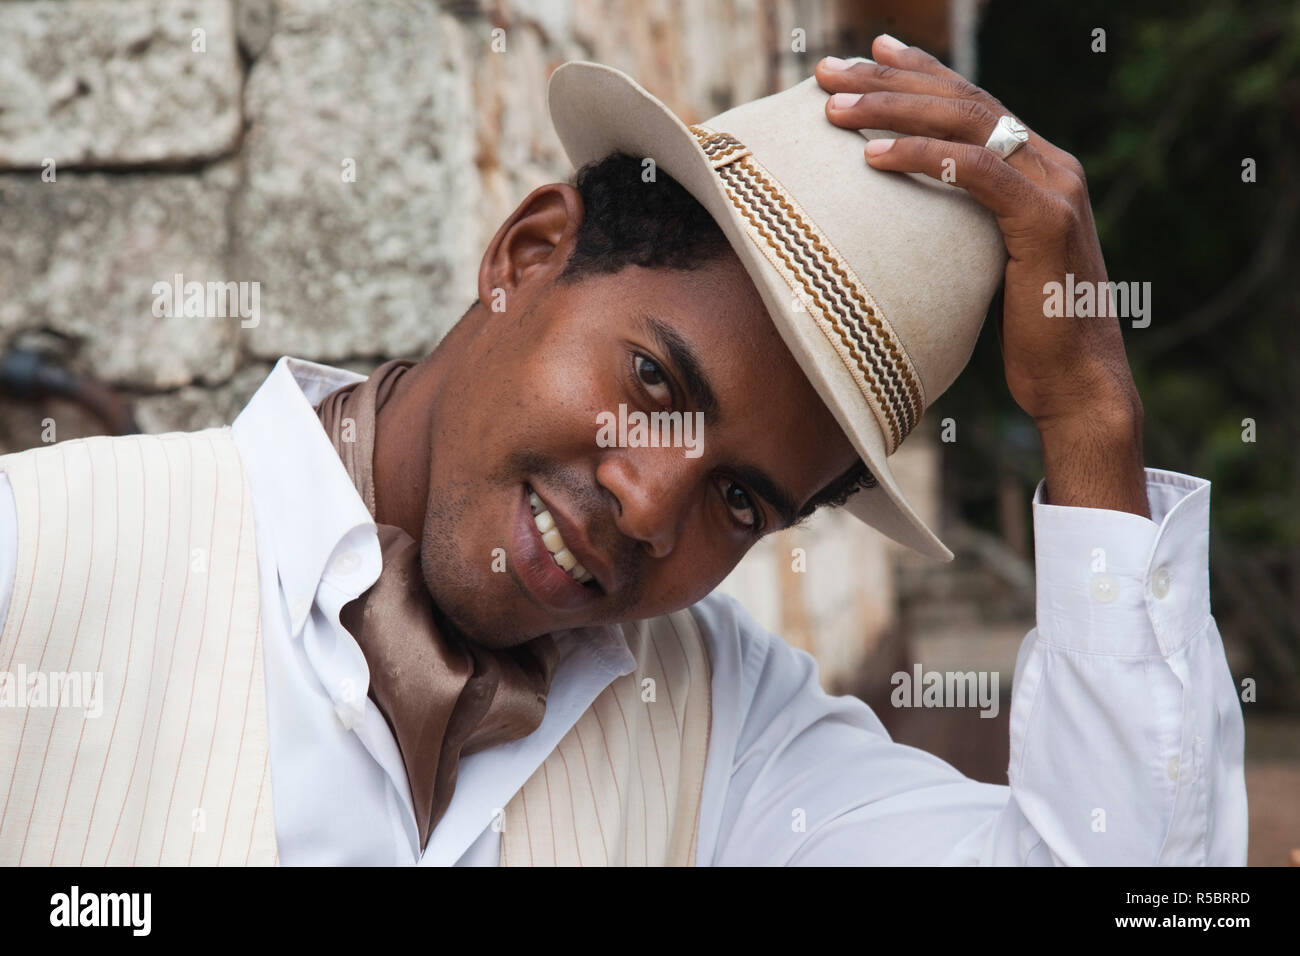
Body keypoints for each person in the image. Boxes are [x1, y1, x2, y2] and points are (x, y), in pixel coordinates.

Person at [0, 35, 1246, 865]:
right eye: (652, 378)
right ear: (526, 252)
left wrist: (1088, 417)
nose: (650, 504)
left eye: (742, 499)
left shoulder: (726, 726)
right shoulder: (45, 555)